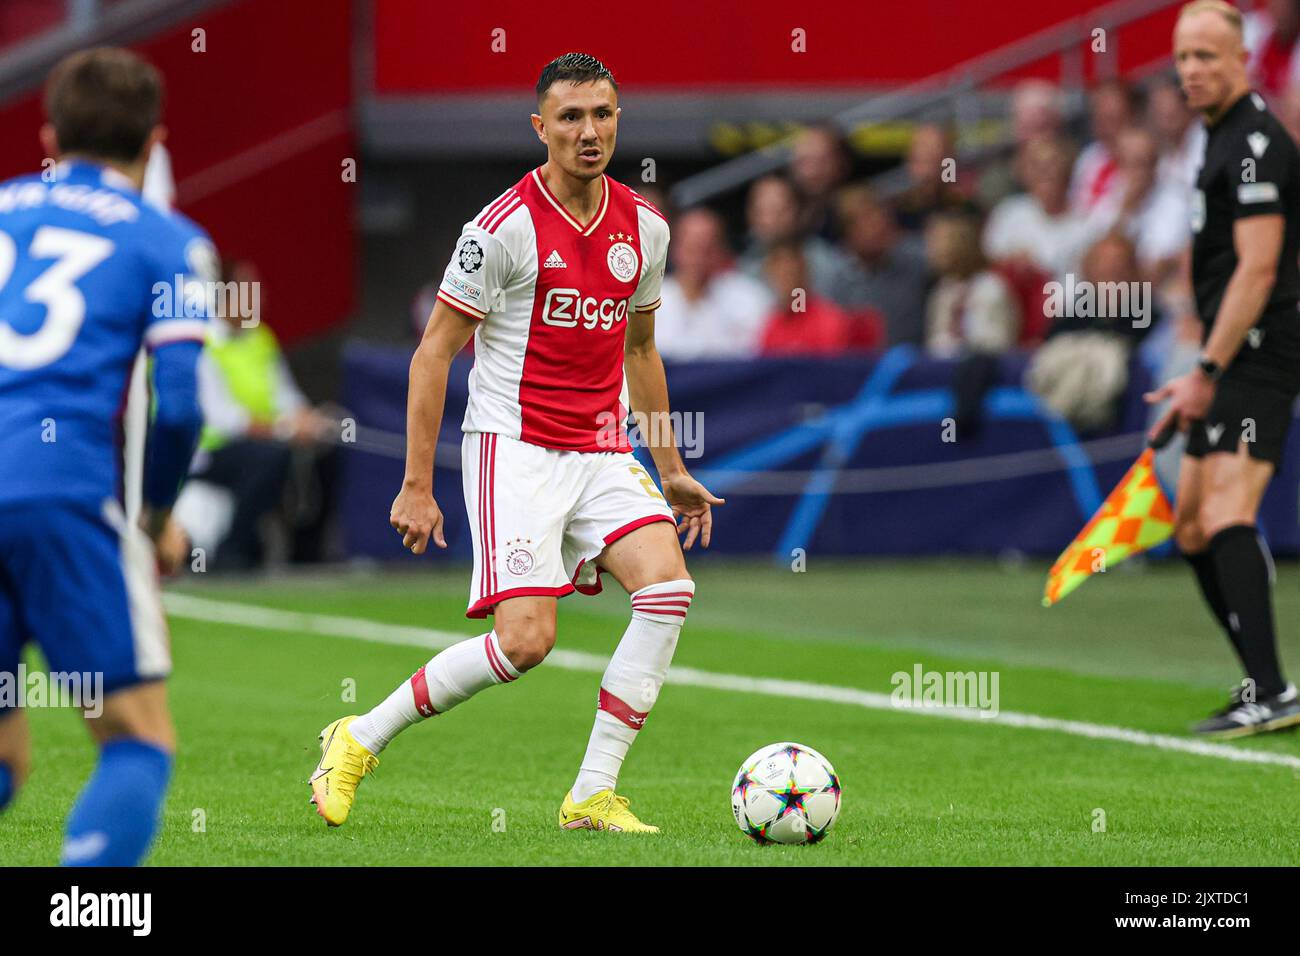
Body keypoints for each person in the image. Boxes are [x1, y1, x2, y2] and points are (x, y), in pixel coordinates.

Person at [309, 53, 723, 833]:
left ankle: (592, 793)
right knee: (525, 644)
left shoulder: (648, 227)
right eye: (570, 117)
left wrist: (668, 466)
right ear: (542, 129)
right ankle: (358, 736)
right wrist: (416, 484)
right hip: (517, 448)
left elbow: (640, 351)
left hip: (602, 448)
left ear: (617, 120)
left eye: (602, 114)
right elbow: (433, 352)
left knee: (668, 589)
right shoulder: (499, 231)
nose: (588, 131)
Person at [0, 47, 210, 864]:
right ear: (153, 143)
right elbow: (182, 399)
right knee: (137, 738)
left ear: (48, 136)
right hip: (61, 495)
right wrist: (155, 518)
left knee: (6, 758)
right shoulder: (167, 241)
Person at [1147, 0, 1300, 737]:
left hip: (1262, 351)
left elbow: (1260, 268)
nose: (1192, 71)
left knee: (1227, 514)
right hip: (1227, 352)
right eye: (1182, 58)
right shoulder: (1216, 141)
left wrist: (1204, 368)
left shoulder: (1258, 143)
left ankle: (1271, 691)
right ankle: (1264, 687)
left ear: (1242, 57)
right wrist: (1197, 370)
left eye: (1207, 55)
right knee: (1192, 532)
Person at [188, 257, 336, 570]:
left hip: (260, 441)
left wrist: (311, 421)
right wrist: (286, 428)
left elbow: (287, 397)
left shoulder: (261, 339)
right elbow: (223, 419)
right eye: (246, 290)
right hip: (208, 453)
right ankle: (233, 553)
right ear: (222, 295)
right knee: (267, 458)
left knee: (329, 450)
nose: (259, 297)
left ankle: (306, 556)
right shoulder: (198, 340)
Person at [654, 207, 771, 360]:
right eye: (692, 249)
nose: (699, 259)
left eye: (708, 249)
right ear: (676, 249)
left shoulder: (750, 297)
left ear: (722, 250)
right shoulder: (646, 303)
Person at [831, 184, 929, 347]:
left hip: (915, 364)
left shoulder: (919, 261)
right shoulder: (837, 281)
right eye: (866, 221)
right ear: (848, 232)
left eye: (880, 216)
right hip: (860, 367)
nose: (878, 226)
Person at [738, 173, 859, 304]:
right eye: (763, 211)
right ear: (750, 215)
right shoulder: (744, 270)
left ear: (799, 212)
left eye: (780, 210)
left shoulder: (824, 262)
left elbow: (800, 309)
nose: (772, 220)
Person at [758, 240, 861, 356]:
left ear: (804, 273)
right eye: (779, 275)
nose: (784, 281)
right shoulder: (772, 325)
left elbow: (833, 369)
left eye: (790, 274)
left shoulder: (828, 321)